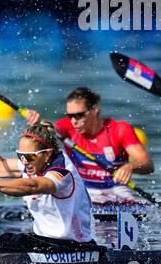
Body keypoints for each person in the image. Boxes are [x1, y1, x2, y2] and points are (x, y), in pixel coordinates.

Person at [0, 118, 97, 252]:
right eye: (21, 155)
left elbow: (32, 186)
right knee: (4, 241)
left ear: (48, 154)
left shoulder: (62, 171)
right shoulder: (34, 162)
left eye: (29, 157)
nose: (25, 162)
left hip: (73, 246)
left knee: (6, 242)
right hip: (45, 242)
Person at [23, 87, 153, 203]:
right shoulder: (66, 127)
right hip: (83, 190)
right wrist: (38, 123)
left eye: (79, 115)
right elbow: (49, 130)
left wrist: (130, 166)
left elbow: (147, 164)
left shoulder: (119, 130)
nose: (74, 121)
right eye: (70, 116)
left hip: (116, 190)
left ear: (95, 109)